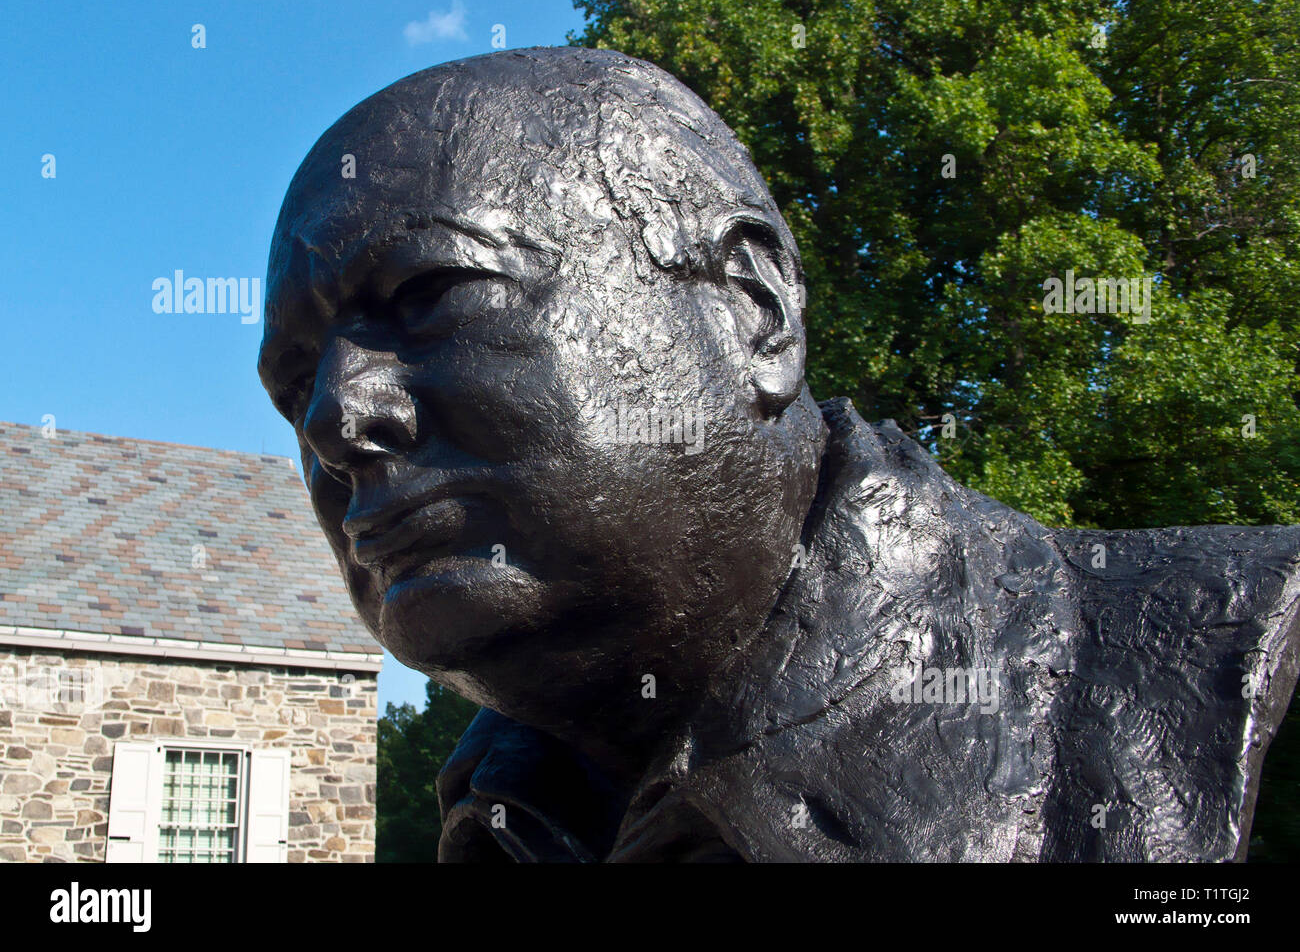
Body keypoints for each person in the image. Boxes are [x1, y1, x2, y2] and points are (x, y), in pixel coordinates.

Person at [259, 47, 1300, 861]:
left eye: (430, 295)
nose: (331, 418)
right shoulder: (495, 819)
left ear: (752, 311)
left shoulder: (1231, 655)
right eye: (293, 375)